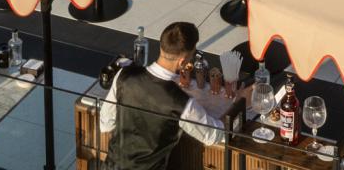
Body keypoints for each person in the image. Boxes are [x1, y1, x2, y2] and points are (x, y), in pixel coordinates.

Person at [100, 22, 244, 170]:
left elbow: (105, 124)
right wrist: (238, 102)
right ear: (182, 62)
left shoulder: (124, 76)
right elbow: (214, 135)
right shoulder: (180, 102)